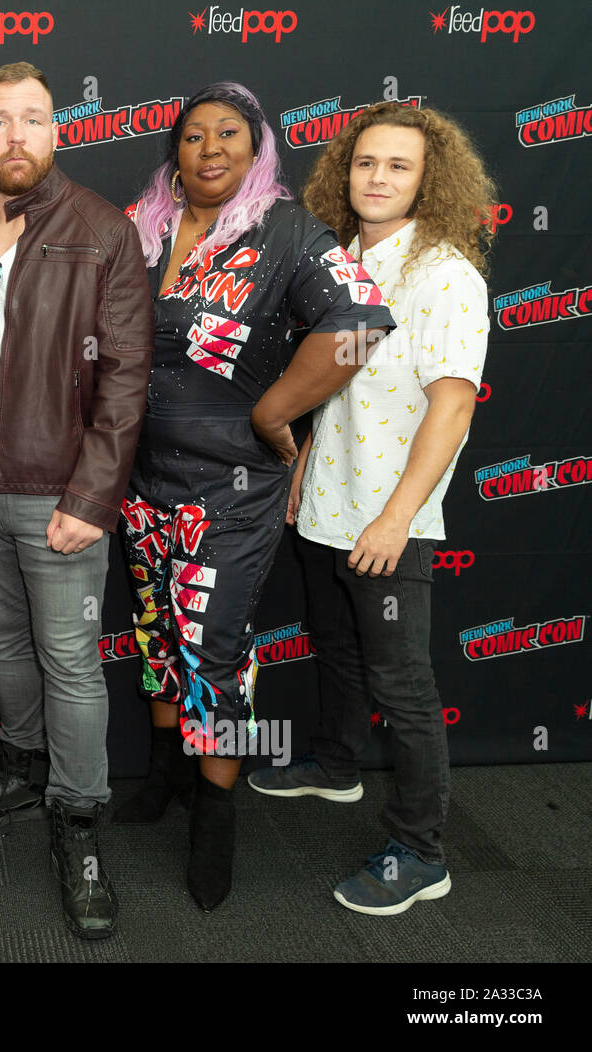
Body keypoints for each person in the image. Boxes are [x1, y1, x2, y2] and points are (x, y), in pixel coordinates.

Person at [116, 82, 395, 913]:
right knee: (158, 636)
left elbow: (362, 319)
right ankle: (167, 778)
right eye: (194, 135)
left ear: (256, 146)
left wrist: (280, 407)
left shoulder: (286, 230)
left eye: (228, 134)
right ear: (177, 149)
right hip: (141, 482)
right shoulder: (147, 225)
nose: (210, 149)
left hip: (231, 492)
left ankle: (216, 818)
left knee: (214, 651)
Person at [0, 62, 153, 939]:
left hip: (59, 486)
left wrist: (92, 496)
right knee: (1, 641)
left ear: (57, 129)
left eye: (31, 118)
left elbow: (127, 379)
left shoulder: (102, 230)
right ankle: (23, 771)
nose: (14, 135)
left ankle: (80, 820)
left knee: (70, 660)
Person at [249, 102, 496, 916]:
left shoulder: (446, 276)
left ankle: (423, 852)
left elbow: (452, 409)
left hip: (391, 520)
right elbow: (340, 384)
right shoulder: (347, 262)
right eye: (366, 163)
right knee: (338, 651)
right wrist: (306, 467)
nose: (378, 178)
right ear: (344, 173)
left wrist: (395, 519)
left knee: (405, 685)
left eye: (398, 166)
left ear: (431, 180)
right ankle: (336, 763)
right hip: (328, 501)